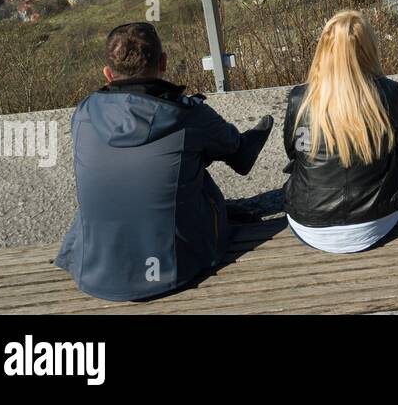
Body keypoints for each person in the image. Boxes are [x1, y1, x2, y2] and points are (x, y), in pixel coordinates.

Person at [56, 23, 273, 301]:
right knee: (191, 167)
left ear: (108, 75)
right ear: (164, 62)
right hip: (173, 269)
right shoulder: (188, 115)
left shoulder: (84, 112)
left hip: (93, 270)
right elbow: (240, 159)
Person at [283, 10, 398, 252]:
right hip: (376, 221)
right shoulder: (389, 93)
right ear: (369, 48)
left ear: (323, 49)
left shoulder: (299, 98)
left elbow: (293, 153)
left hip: (309, 224)